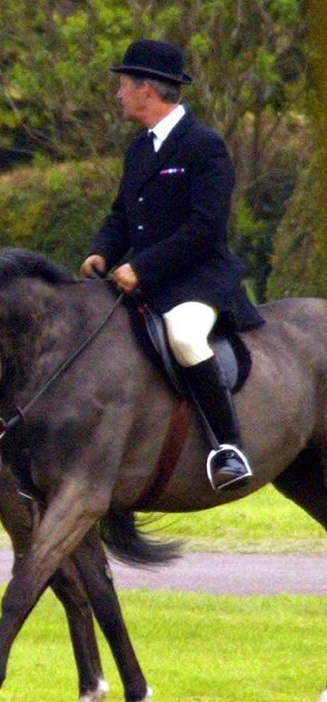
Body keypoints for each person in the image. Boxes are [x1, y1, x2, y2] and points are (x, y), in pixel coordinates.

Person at [80, 38, 264, 491]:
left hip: (198, 282)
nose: (118, 94)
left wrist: (142, 268)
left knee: (184, 336)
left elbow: (204, 229)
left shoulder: (205, 146)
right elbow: (121, 217)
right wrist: (102, 251)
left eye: (124, 86)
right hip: (146, 283)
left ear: (147, 89)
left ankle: (228, 447)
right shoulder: (138, 150)